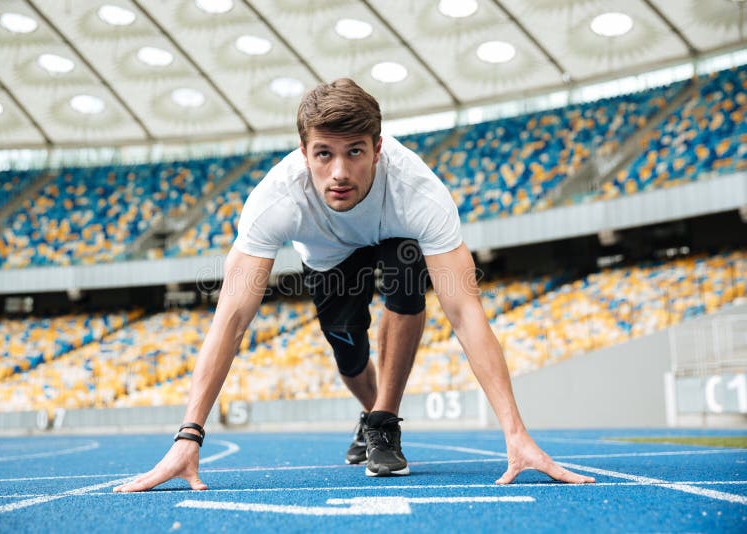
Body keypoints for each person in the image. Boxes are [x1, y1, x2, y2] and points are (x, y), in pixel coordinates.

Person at [114, 78, 595, 492]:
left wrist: (515, 433)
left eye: (355, 153)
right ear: (304, 153)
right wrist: (188, 436)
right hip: (327, 259)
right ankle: (370, 415)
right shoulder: (274, 200)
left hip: (394, 234)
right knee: (348, 351)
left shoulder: (420, 193)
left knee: (407, 270)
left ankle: (384, 424)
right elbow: (232, 318)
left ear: (378, 149)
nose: (339, 173)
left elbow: (466, 312)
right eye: (323, 154)